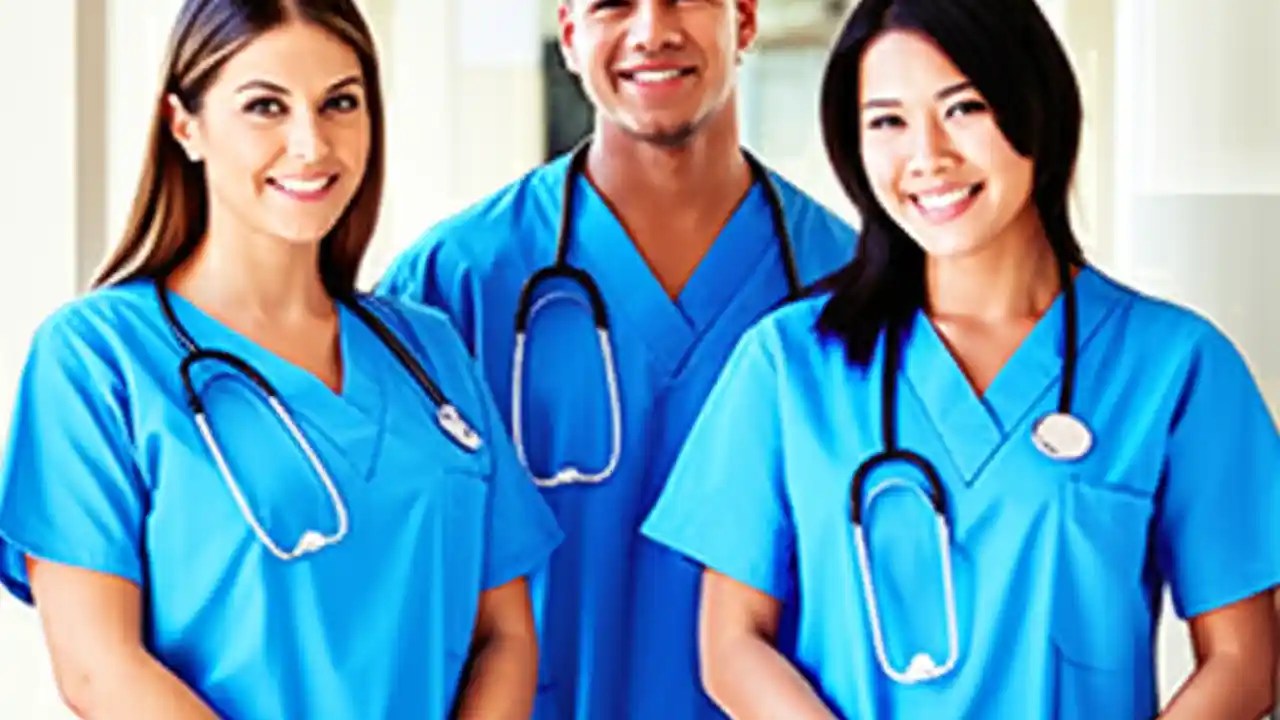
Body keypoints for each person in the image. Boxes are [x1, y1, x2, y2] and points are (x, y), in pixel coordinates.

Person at [640, 0, 1280, 717]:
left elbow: (1243, 660)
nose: (928, 157)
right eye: (887, 121)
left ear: (1036, 108)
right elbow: (731, 644)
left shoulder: (1176, 367)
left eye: (965, 108)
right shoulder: (788, 364)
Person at [0, 1, 561, 718]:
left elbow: (504, 636)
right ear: (185, 124)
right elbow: (97, 668)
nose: (311, 144)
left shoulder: (429, 351)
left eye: (341, 104)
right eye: (266, 106)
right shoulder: (98, 358)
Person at [376, 1, 854, 717]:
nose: (652, 30)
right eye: (613, 5)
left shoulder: (848, 289)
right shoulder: (456, 283)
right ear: (570, 34)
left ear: (745, 19)